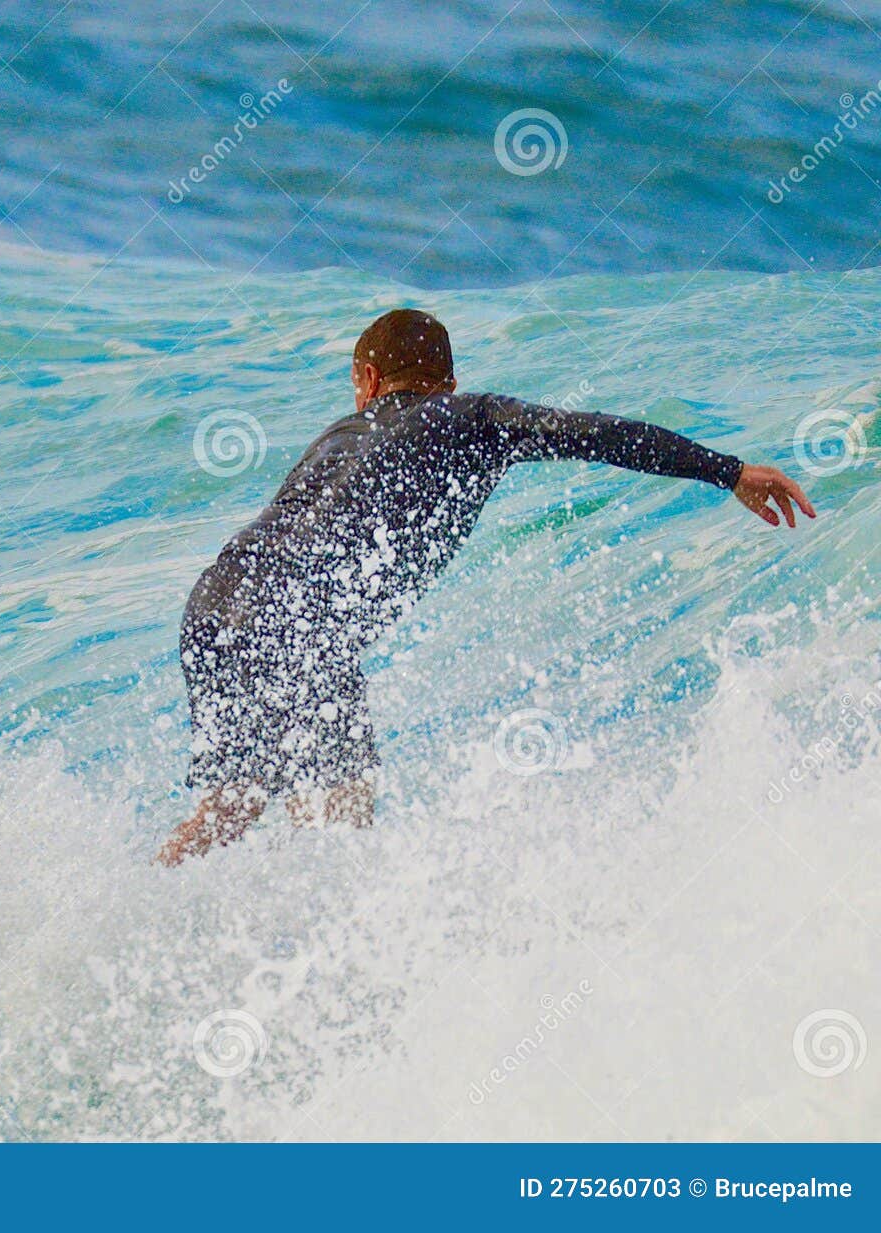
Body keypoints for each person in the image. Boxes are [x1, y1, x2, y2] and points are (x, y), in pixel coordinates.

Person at [156, 309, 816, 866]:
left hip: (215, 599)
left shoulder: (335, 436)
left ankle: (147, 896)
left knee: (231, 805)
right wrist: (726, 470)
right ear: (449, 380)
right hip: (300, 617)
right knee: (340, 821)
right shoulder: (470, 418)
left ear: (368, 379)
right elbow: (598, 433)